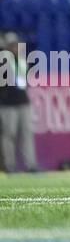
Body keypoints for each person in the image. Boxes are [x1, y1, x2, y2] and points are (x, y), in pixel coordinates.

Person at [0, 33, 37, 173]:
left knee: (27, 134)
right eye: (12, 45)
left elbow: (25, 80)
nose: (15, 47)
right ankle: (9, 165)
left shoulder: (22, 60)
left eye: (16, 44)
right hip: (7, 103)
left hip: (23, 101)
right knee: (9, 135)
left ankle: (31, 165)